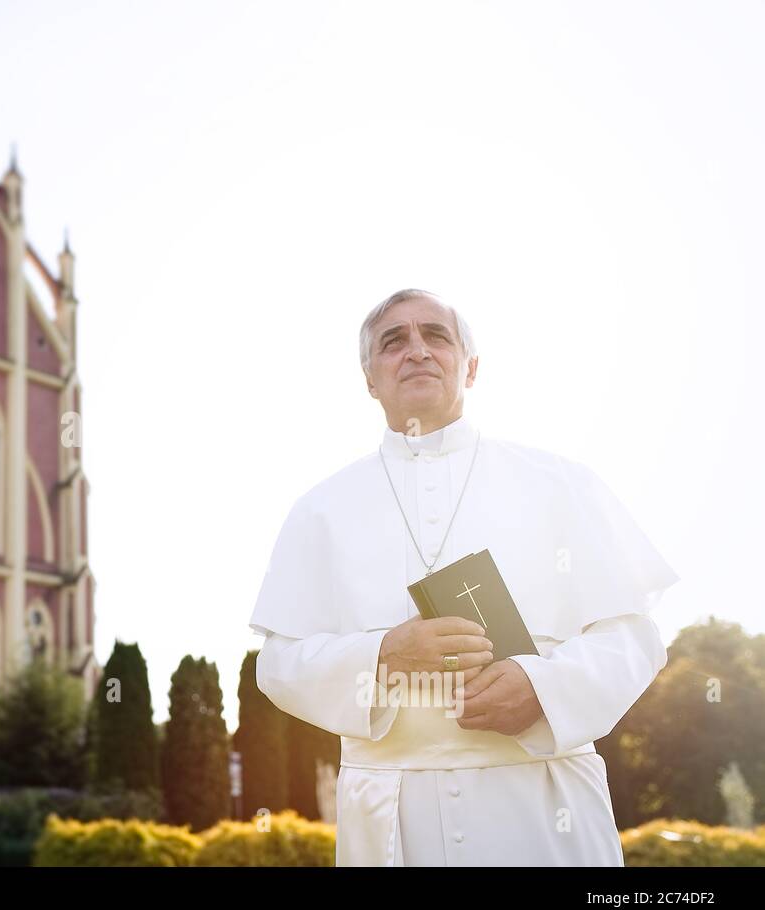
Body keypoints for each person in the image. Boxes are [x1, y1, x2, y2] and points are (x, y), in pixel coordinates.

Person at [249, 288, 679, 866]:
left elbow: (635, 639)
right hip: (393, 817)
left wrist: (543, 689)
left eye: (437, 336)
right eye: (393, 341)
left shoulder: (561, 484)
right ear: (369, 378)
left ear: (470, 367)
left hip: (542, 802)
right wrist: (381, 657)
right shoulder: (320, 509)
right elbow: (278, 665)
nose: (417, 351)